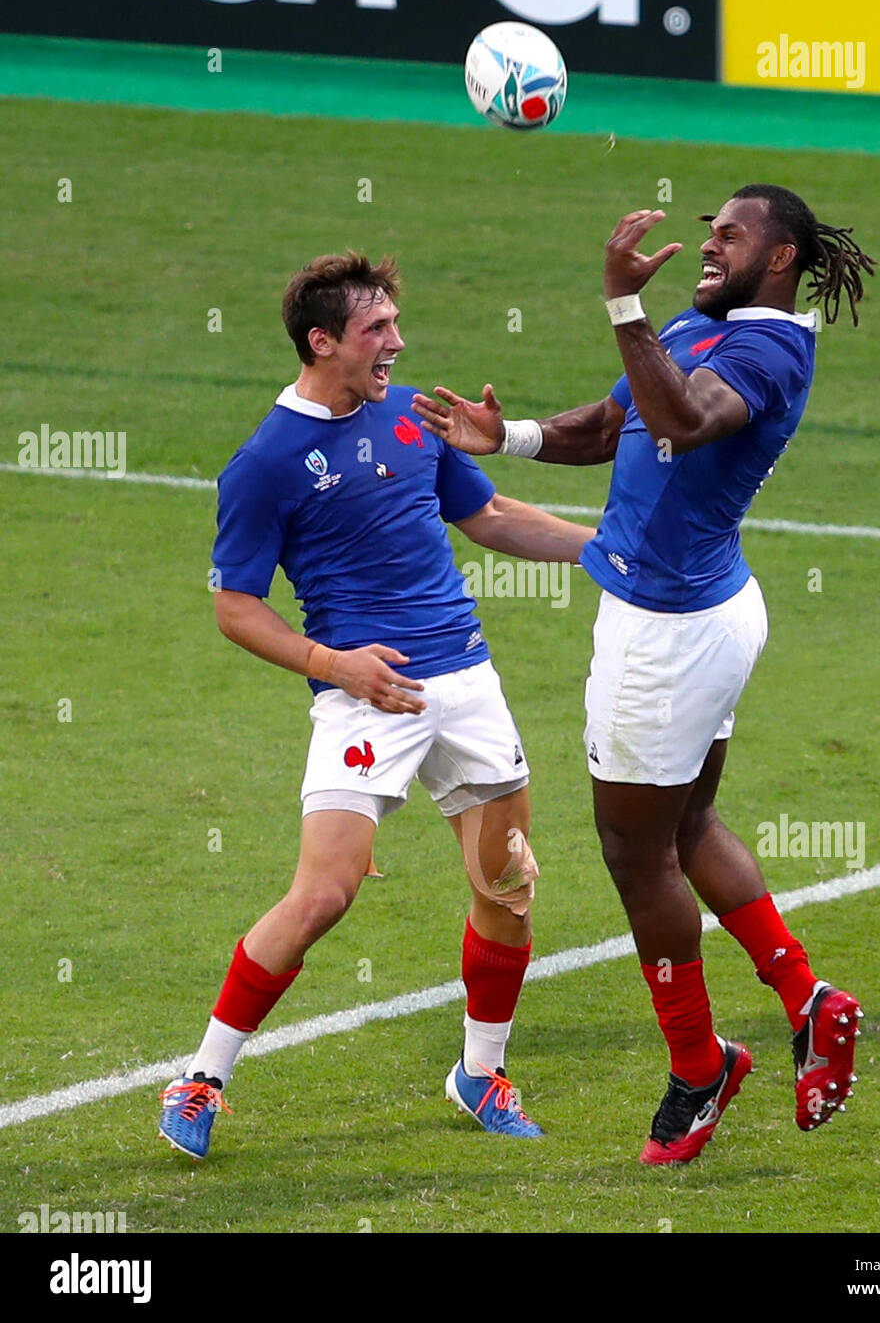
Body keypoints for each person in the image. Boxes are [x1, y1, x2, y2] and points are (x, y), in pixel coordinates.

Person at [414, 184, 877, 1164]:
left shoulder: (767, 347)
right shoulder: (700, 324)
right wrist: (517, 439)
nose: (709, 245)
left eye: (731, 236)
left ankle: (698, 1067)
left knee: (636, 855)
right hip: (698, 612)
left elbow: (679, 421)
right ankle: (807, 999)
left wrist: (622, 306)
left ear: (782, 257)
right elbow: (618, 422)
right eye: (708, 231)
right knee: (689, 824)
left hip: (665, 638)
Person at [158, 252, 594, 1159]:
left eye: (396, 324)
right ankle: (201, 1077)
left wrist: (606, 550)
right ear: (323, 343)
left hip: (465, 683)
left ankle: (480, 1073)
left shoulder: (409, 415)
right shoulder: (266, 462)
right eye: (376, 330)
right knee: (324, 894)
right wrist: (335, 665)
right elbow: (235, 607)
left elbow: (488, 517)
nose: (396, 342)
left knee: (506, 884)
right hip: (366, 696)